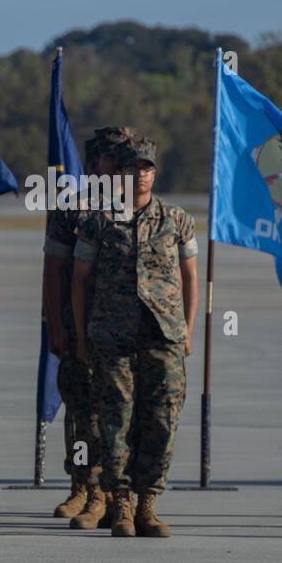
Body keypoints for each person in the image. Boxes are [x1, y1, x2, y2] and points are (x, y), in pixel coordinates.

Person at [72, 137, 197, 537]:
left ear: (154, 173)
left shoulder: (176, 220)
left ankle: (148, 504)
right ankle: (121, 505)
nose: (140, 175)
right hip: (113, 337)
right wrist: (80, 334)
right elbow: (79, 280)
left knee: (163, 419)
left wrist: (188, 329)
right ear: (119, 174)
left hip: (164, 335)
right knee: (115, 422)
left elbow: (190, 276)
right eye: (132, 169)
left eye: (146, 168)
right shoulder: (98, 221)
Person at [46, 126, 133, 529]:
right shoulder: (73, 208)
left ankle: (118, 493)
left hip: (125, 332)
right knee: (82, 414)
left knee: (121, 415)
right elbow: (56, 269)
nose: (115, 166)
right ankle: (84, 487)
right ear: (95, 162)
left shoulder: (139, 209)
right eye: (109, 158)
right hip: (79, 325)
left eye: (122, 159)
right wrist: (56, 324)